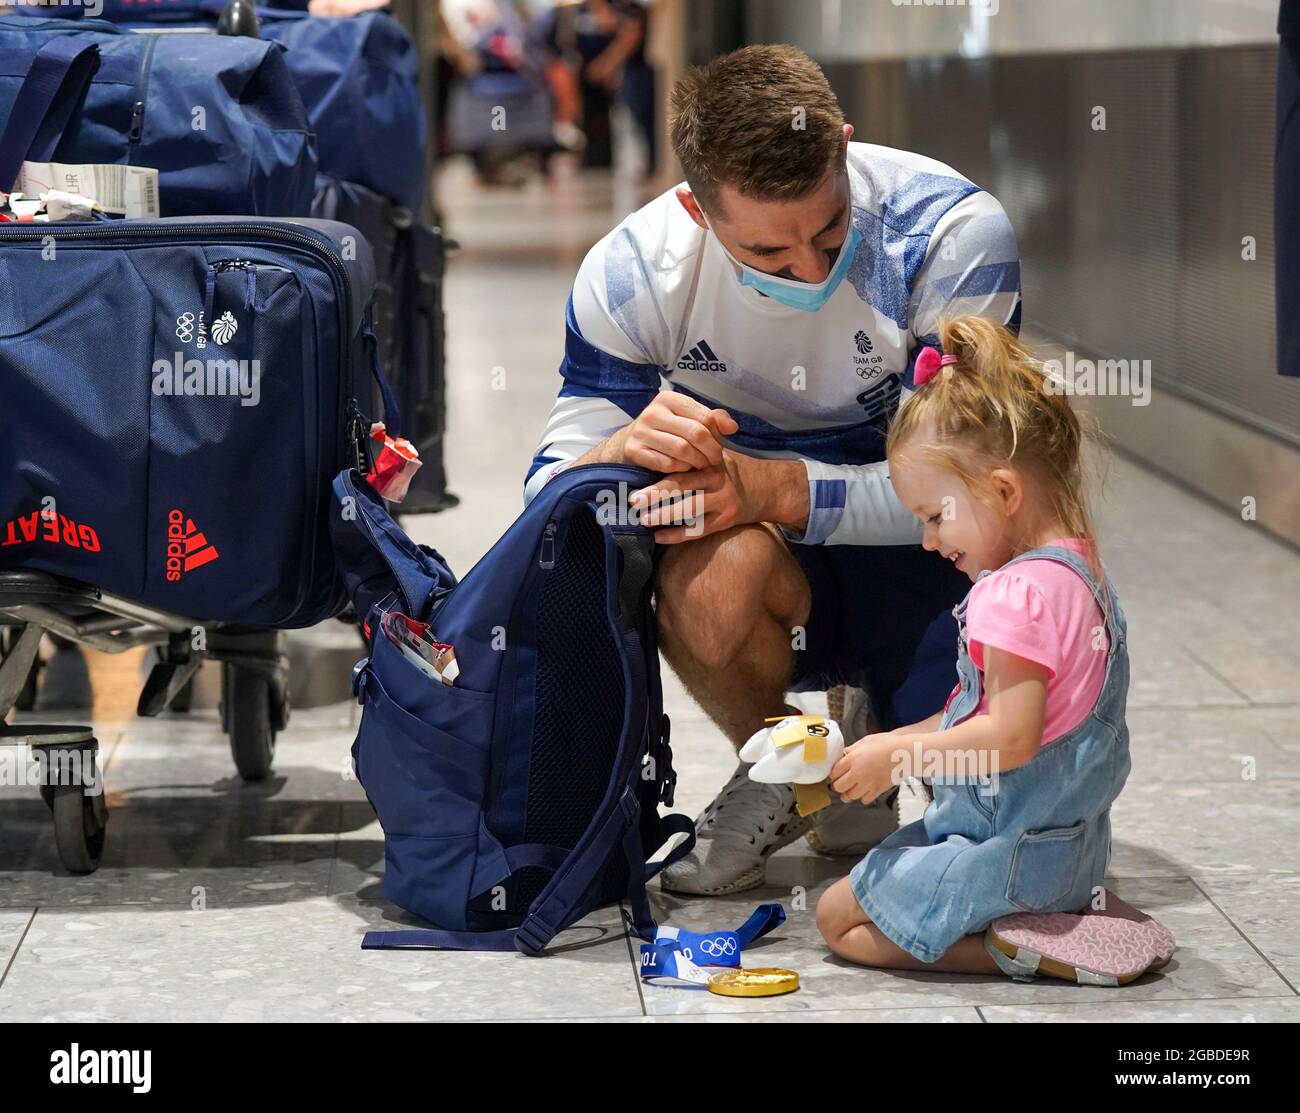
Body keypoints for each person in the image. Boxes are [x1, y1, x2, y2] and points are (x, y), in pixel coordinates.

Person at [524, 45, 1021, 896]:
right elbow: (547, 493)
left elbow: (971, 497)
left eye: (830, 232)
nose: (812, 271)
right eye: (768, 253)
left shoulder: (951, 236)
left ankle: (875, 715)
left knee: (997, 815)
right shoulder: (631, 273)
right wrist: (619, 453)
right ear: (695, 210)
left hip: (931, 551)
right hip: (774, 556)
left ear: (846, 150)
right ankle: (791, 763)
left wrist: (774, 486)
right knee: (707, 576)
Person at [815, 315, 1135, 978]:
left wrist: (900, 751)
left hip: (1009, 856)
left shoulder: (1010, 595)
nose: (931, 541)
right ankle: (1053, 922)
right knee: (879, 881)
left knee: (838, 917)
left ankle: (1022, 952)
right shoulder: (1081, 574)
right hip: (1071, 854)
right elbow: (983, 715)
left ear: (1004, 490)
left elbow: (1011, 739)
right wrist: (883, 750)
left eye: (936, 516)